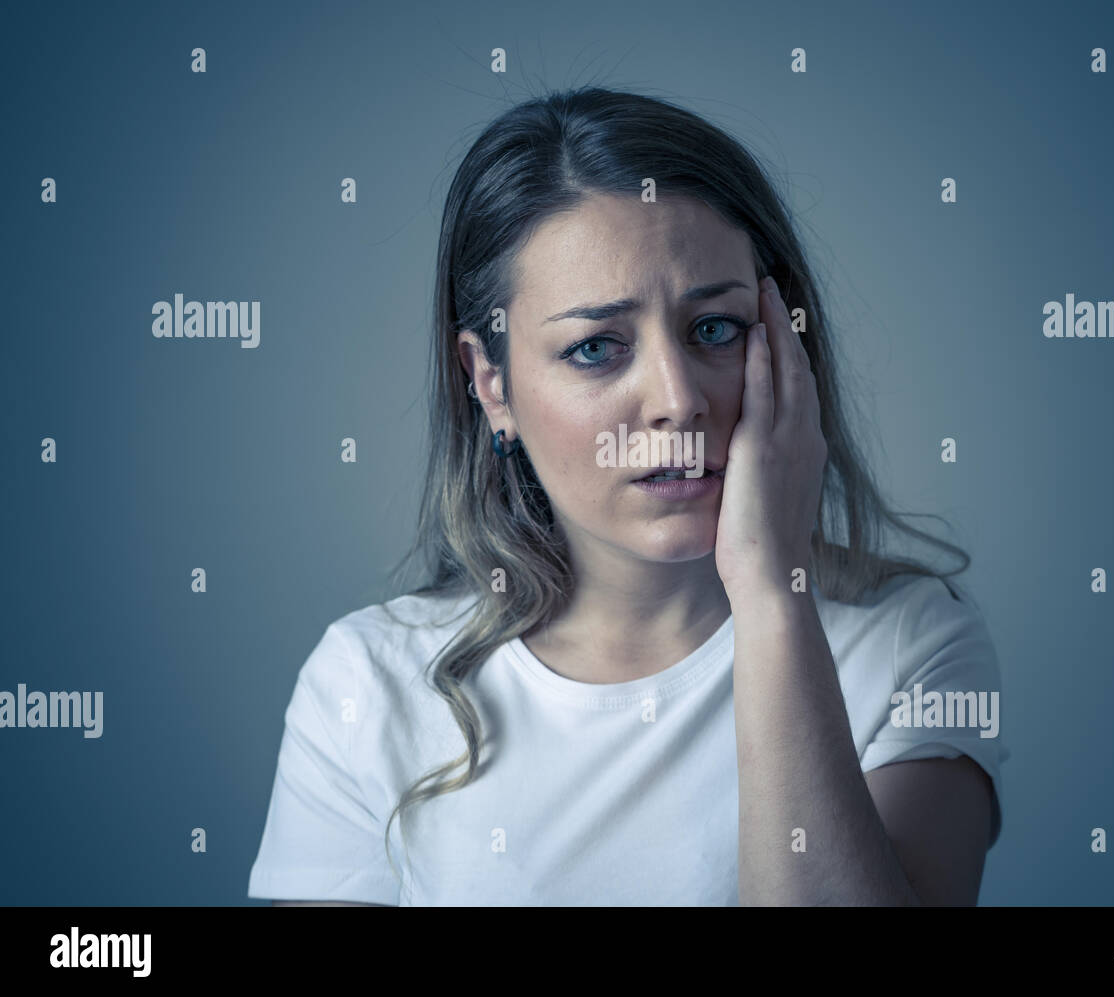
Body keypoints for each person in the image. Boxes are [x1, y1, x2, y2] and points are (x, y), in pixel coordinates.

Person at [248, 86, 1009, 907]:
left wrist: (770, 595)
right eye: (596, 348)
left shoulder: (909, 644)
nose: (676, 398)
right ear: (491, 383)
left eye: (713, 328)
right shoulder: (369, 683)